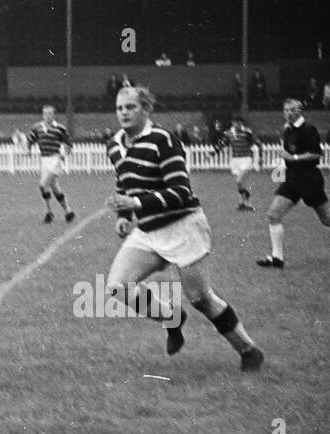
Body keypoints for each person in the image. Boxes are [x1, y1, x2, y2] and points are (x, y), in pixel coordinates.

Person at [104, 86, 263, 371]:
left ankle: (249, 350)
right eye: (119, 108)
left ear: (146, 109)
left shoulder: (164, 140)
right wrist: (125, 213)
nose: (124, 113)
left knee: (201, 299)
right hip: (149, 231)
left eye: (131, 107)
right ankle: (172, 319)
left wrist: (136, 202)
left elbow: (180, 192)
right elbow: (124, 179)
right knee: (118, 287)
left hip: (183, 226)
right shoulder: (114, 144)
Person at [257, 99, 329, 269]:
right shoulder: (287, 130)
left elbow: (316, 154)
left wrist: (293, 158)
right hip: (292, 179)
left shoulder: (308, 129)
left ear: (299, 111)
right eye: (285, 110)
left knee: (326, 218)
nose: (287, 113)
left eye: (291, 110)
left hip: (309, 179)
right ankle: (277, 258)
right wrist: (285, 164)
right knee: (273, 214)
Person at [27, 105, 75, 223]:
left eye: (50, 114)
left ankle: (49, 212)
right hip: (44, 161)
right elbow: (30, 140)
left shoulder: (59, 128)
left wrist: (64, 154)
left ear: (53, 115)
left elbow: (69, 143)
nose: (48, 116)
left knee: (43, 185)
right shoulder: (37, 128)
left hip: (55, 160)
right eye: (45, 113)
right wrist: (28, 149)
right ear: (43, 115)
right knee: (54, 188)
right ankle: (68, 211)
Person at [223, 115, 259, 210]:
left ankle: (247, 195)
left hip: (246, 159)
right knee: (241, 184)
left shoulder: (247, 133)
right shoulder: (230, 133)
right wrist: (212, 154)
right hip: (235, 161)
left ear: (241, 123)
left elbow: (254, 145)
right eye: (234, 123)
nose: (236, 125)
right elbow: (223, 144)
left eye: (238, 123)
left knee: (239, 181)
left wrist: (257, 159)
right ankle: (244, 203)